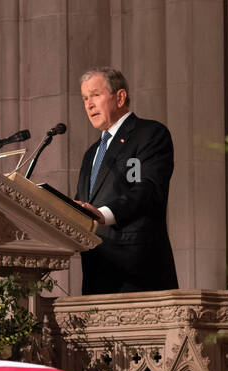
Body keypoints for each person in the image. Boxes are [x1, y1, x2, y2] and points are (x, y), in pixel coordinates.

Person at [73, 68, 179, 295]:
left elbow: (147, 189)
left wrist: (103, 214)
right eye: (84, 98)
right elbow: (81, 203)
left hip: (137, 271)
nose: (88, 104)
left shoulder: (149, 134)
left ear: (120, 97)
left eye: (95, 95)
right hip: (96, 270)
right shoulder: (91, 153)